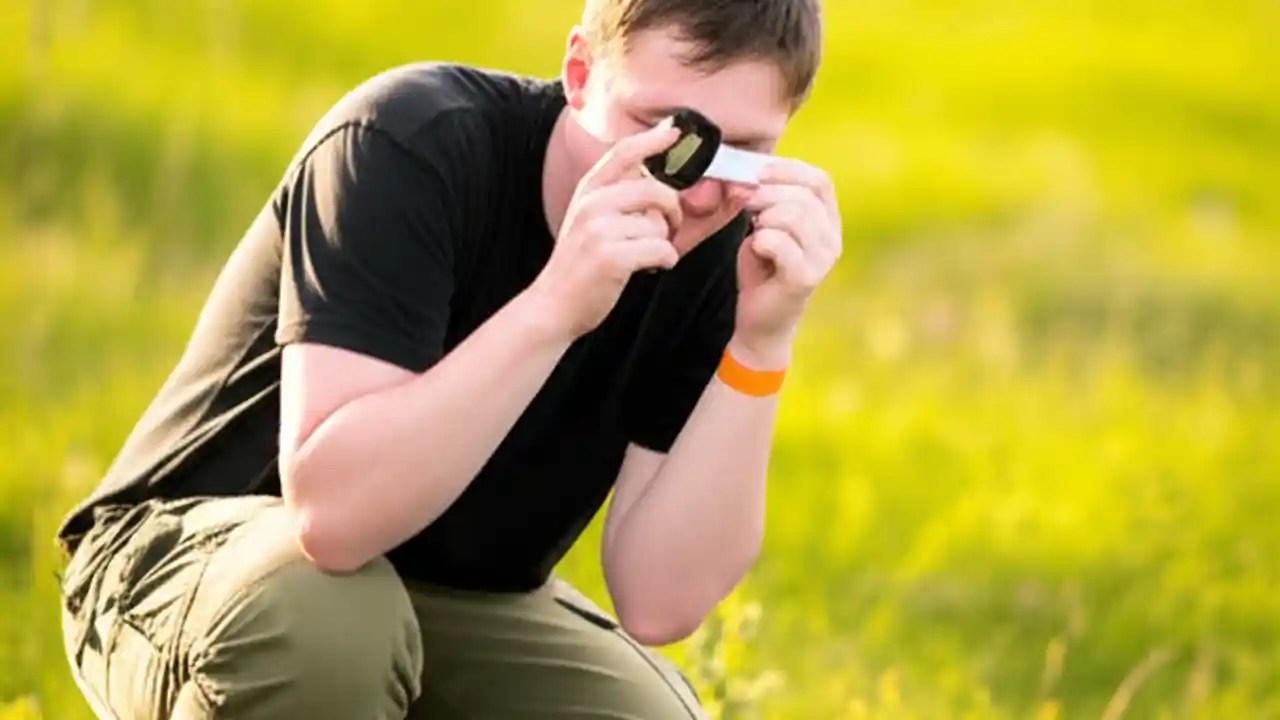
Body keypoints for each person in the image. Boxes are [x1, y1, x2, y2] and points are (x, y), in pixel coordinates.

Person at [53, 0, 839, 716]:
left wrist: (760, 345)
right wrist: (554, 309)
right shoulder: (410, 141)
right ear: (577, 74)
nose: (698, 192)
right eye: (669, 137)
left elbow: (659, 603)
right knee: (325, 631)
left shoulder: (715, 243)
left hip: (449, 596)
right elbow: (332, 517)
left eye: (741, 156)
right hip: (196, 556)